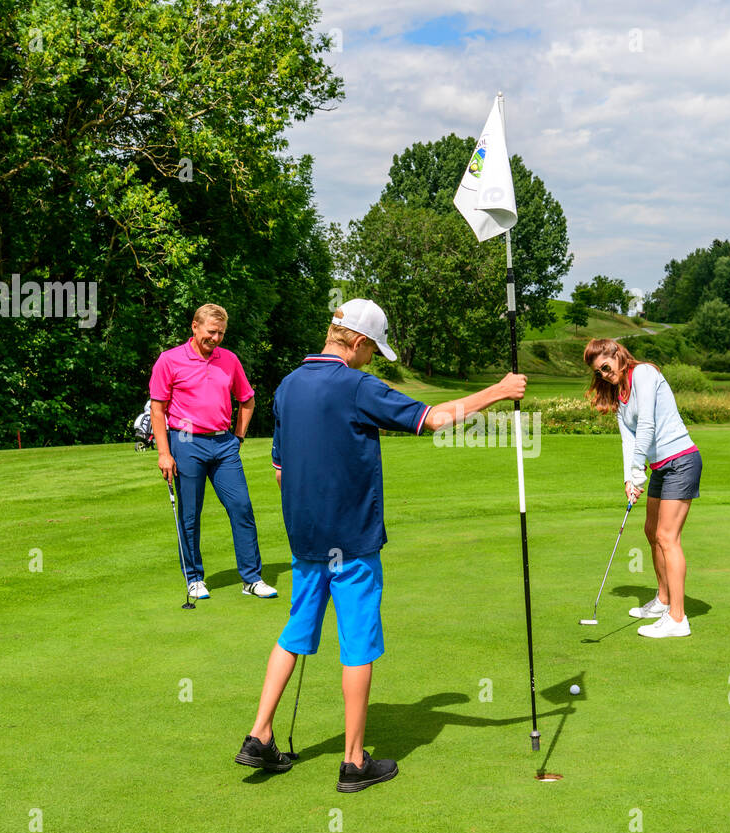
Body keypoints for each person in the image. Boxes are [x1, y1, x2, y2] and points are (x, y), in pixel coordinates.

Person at [236, 298, 528, 792]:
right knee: (358, 645)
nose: (372, 358)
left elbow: (281, 470)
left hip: (305, 541)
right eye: (373, 349)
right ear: (358, 341)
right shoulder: (357, 386)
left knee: (294, 633)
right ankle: (354, 762)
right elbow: (434, 419)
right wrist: (499, 391)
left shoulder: (287, 386)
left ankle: (259, 733)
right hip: (352, 541)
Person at [149, 303, 277, 600]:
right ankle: (194, 578)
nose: (215, 338)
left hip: (223, 444)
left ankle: (251, 578)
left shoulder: (229, 360)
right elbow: (158, 409)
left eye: (220, 333)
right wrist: (164, 453)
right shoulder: (169, 360)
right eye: (211, 332)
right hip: (185, 442)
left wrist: (238, 437)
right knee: (190, 514)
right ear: (194, 327)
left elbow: (247, 400)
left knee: (241, 507)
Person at [583, 338, 701, 637]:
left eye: (605, 367)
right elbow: (629, 440)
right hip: (661, 466)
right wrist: (629, 478)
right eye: (599, 372)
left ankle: (678, 619)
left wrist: (638, 468)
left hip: (682, 461)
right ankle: (663, 600)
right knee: (651, 531)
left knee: (667, 537)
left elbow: (647, 423)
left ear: (617, 354)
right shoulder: (620, 397)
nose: (604, 375)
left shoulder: (645, 373)